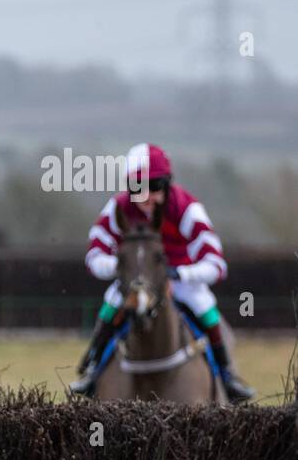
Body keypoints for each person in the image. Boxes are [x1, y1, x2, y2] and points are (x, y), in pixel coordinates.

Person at [70, 143, 254, 402]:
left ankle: (228, 377)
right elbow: (94, 255)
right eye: (138, 188)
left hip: (180, 278)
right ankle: (91, 368)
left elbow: (216, 264)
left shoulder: (187, 209)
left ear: (167, 184)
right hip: (135, 280)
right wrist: (120, 268)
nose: (146, 197)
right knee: (111, 303)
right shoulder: (118, 208)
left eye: (154, 186)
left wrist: (180, 274)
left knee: (206, 309)